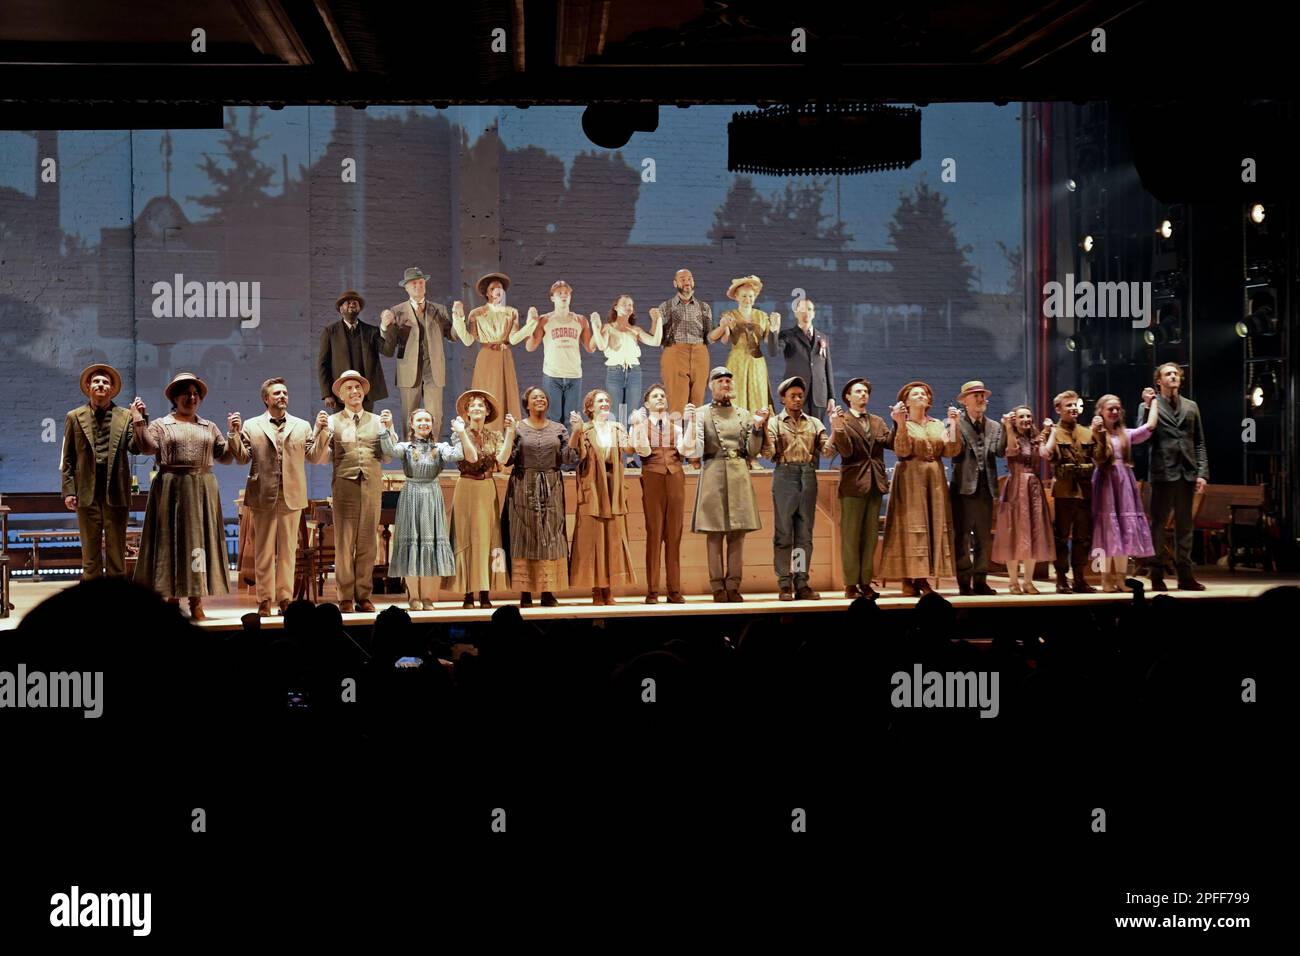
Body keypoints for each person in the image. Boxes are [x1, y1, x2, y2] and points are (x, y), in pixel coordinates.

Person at [130, 372, 239, 621]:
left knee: (197, 546)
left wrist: (233, 433)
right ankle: (171, 600)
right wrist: (138, 422)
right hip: (170, 488)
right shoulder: (161, 425)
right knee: (171, 543)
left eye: (195, 394)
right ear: (175, 397)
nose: (191, 397)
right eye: (186, 393)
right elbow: (147, 447)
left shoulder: (208, 426)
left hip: (201, 489)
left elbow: (225, 456)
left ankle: (196, 601)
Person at [308, 370, 395, 613]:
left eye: (358, 387)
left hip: (371, 483)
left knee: (368, 542)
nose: (355, 391)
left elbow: (388, 456)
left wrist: (389, 429)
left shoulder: (378, 420)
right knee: (345, 542)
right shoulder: (333, 420)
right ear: (340, 394)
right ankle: (345, 595)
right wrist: (320, 430)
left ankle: (363, 595)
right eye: (349, 388)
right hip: (345, 484)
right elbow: (321, 458)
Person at [230, 377, 318, 616]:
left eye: (285, 393)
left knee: (289, 550)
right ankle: (265, 600)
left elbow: (315, 456)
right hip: (263, 494)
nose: (282, 396)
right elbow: (241, 458)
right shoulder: (252, 425)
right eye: (277, 393)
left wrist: (322, 433)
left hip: (291, 494)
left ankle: (285, 599)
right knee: (264, 551)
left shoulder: (301, 425)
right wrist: (234, 434)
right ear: (266, 398)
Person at [380, 408, 476, 611]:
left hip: (432, 496)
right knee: (411, 544)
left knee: (431, 546)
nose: (424, 423)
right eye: (419, 420)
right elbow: (389, 450)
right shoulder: (406, 447)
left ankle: (427, 597)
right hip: (411, 495)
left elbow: (461, 455)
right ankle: (414, 596)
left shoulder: (440, 447)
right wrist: (387, 428)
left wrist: (460, 432)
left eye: (427, 420)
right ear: (412, 425)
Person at [879, 381, 963, 596]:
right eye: (915, 394)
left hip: (933, 478)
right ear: (906, 402)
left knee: (931, 525)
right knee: (911, 525)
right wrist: (900, 424)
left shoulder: (937, 424)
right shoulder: (902, 423)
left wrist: (954, 425)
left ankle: (923, 577)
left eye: (924, 394)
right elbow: (902, 450)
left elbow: (951, 450)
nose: (921, 396)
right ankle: (908, 578)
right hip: (910, 477)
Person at [690, 367, 764, 602]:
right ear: (712, 385)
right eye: (721, 381)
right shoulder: (702, 413)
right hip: (713, 472)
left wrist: (758, 428)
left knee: (737, 534)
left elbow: (752, 451)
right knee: (714, 534)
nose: (725, 384)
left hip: (739, 473)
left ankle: (733, 585)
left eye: (728, 381)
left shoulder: (744, 414)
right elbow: (695, 450)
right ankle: (717, 587)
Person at [502, 385, 579, 607]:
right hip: (523, 484)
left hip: (552, 485)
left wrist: (575, 432)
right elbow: (508, 459)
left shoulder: (558, 428)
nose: (540, 400)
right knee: (524, 535)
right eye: (535, 397)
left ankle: (548, 591)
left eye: (543, 397)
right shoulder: (518, 428)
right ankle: (525, 591)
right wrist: (508, 433)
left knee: (550, 535)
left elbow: (568, 458)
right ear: (527, 403)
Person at [60, 364, 138, 580]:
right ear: (88, 386)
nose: (101, 384)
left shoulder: (125, 416)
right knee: (90, 555)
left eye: (105, 382)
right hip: (86, 492)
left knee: (116, 554)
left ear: (112, 388)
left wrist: (140, 419)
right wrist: (68, 491)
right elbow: (67, 458)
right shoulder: (74, 416)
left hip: (116, 492)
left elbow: (137, 448)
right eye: (96, 381)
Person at [1139, 363, 1209, 591]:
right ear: (1158, 381)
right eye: (1168, 374)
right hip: (1163, 472)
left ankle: (1185, 575)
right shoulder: (1149, 405)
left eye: (1176, 374)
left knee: (1185, 526)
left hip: (1187, 472)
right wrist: (1149, 407)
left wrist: (1202, 472)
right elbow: (1142, 437)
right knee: (1158, 525)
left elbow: (1199, 441)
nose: (1173, 377)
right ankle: (1156, 573)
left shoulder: (1191, 406)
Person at [762, 376, 832, 600]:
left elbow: (828, 451)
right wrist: (762, 427)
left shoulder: (813, 422)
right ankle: (784, 583)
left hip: (808, 474)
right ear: (783, 398)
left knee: (804, 535)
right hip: (785, 474)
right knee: (784, 533)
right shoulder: (774, 422)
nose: (797, 399)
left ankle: (801, 582)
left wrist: (837, 428)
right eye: (792, 395)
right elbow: (768, 453)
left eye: (800, 395)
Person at [445, 389, 513, 608]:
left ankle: (485, 591)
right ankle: (467, 591)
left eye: (480, 406)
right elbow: (470, 457)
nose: (476, 408)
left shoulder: (494, 435)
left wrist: (510, 432)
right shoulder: (458, 433)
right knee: (465, 536)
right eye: (472, 405)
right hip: (466, 486)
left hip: (487, 487)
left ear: (487, 411)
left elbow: (502, 460)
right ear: (467, 412)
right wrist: (463, 432)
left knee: (490, 537)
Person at [568, 389, 636, 605]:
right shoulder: (586, 430)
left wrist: (637, 426)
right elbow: (577, 457)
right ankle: (596, 589)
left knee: (613, 539)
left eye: (607, 400)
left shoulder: (617, 428)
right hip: (593, 488)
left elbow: (630, 449)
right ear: (590, 407)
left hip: (612, 485)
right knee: (593, 539)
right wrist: (576, 432)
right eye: (600, 400)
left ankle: (609, 589)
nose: (605, 403)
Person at [630, 383, 694, 604]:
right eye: (655, 396)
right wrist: (638, 426)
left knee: (674, 535)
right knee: (654, 534)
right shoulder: (640, 424)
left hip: (675, 477)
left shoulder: (676, 427)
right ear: (647, 403)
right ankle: (653, 590)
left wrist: (692, 424)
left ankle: (674, 590)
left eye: (662, 396)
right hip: (653, 477)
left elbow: (686, 451)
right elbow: (644, 451)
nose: (660, 398)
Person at [828, 377, 892, 600]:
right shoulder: (842, 420)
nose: (863, 394)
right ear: (848, 396)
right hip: (853, 483)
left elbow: (890, 442)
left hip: (875, 482)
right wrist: (838, 428)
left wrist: (900, 422)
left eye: (865, 391)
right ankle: (851, 583)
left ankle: (866, 582)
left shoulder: (877, 420)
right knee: (851, 536)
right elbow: (845, 452)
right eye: (858, 391)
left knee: (870, 536)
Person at [1091, 395, 1160, 592]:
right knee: (1107, 530)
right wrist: (1098, 433)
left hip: (1124, 483)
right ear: (1101, 412)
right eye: (1110, 409)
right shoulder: (1094, 433)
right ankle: (1106, 578)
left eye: (1117, 409)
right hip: (1105, 482)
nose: (1114, 412)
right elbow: (1095, 456)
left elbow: (1149, 427)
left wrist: (1153, 401)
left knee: (1124, 528)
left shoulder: (1126, 434)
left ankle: (1121, 579)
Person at [381, 266, 454, 440]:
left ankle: (434, 456)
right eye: (413, 283)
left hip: (433, 370)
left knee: (435, 415)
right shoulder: (397, 311)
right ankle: (410, 459)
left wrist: (459, 319)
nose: (418, 286)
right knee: (408, 416)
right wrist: (385, 326)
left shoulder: (439, 310)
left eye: (421, 282)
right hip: (408, 370)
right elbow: (389, 346)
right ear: (406, 287)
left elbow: (453, 335)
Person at [949, 380, 1006, 595]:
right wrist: (954, 425)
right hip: (963, 489)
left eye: (982, 395)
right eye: (976, 396)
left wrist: (1008, 428)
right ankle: (964, 581)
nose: (981, 399)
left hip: (985, 489)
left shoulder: (994, 426)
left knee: (983, 537)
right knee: (962, 537)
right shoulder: (956, 423)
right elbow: (952, 450)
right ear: (965, 401)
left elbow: (1000, 452)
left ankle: (980, 581)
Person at [992, 406, 1054, 594]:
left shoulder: (1035, 438)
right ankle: (1013, 581)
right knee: (1013, 533)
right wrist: (1008, 428)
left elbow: (1046, 454)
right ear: (1015, 419)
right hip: (1016, 487)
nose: (1026, 419)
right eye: (1021, 416)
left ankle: (1028, 581)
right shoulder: (1011, 435)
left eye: (1028, 416)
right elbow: (1010, 451)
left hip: (1033, 488)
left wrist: (1051, 432)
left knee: (1034, 533)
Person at [1040, 390, 1097, 594]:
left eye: (1075, 405)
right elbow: (1046, 455)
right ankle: (1061, 578)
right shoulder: (1054, 432)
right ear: (1058, 409)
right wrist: (1050, 433)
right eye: (1068, 405)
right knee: (1061, 537)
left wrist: (1101, 433)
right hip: (1064, 492)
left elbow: (1100, 456)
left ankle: (1080, 578)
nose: (1073, 409)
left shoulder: (1087, 432)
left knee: (1083, 538)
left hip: (1084, 491)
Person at [517, 280, 594, 426]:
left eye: (567, 293)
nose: (564, 295)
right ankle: (554, 449)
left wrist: (597, 329)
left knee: (571, 419)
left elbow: (590, 348)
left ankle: (570, 449)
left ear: (570, 296)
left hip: (574, 374)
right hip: (552, 374)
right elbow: (530, 347)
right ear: (552, 297)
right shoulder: (545, 320)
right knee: (553, 417)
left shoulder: (581, 320)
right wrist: (530, 324)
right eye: (559, 293)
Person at [452, 271, 523, 424]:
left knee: (507, 392)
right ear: (487, 293)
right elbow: (468, 340)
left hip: (504, 356)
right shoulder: (477, 313)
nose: (497, 291)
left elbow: (514, 338)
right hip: (486, 357)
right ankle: (485, 432)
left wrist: (531, 324)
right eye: (493, 288)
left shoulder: (511, 312)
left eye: (500, 288)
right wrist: (457, 318)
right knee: (487, 391)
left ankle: (509, 435)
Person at [590, 293, 663, 431]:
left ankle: (630, 450)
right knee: (615, 413)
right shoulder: (609, 327)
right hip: (614, 372)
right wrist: (594, 325)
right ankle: (616, 448)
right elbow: (601, 345)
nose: (628, 307)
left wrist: (658, 320)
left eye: (630, 305)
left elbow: (655, 341)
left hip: (634, 372)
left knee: (632, 414)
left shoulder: (635, 330)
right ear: (616, 307)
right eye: (624, 304)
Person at [318, 290, 395, 414]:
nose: (352, 304)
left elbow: (388, 351)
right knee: (341, 431)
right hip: (340, 395)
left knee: (366, 430)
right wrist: (327, 394)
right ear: (340, 309)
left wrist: (388, 327)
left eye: (355, 302)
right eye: (347, 303)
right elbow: (323, 364)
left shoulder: (371, 331)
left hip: (365, 393)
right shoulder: (330, 332)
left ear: (359, 308)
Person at [654, 268, 714, 416]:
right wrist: (655, 320)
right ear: (675, 283)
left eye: (689, 278)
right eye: (682, 279)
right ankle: (676, 437)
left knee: (698, 402)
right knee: (676, 402)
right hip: (675, 352)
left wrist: (724, 327)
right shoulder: (665, 307)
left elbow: (709, 336)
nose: (686, 281)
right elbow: (657, 337)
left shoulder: (704, 307)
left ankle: (695, 437)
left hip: (700, 352)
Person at [717, 275, 779, 415]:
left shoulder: (762, 316)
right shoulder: (730, 314)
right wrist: (724, 327)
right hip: (737, 361)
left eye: (751, 296)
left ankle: (759, 429)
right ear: (737, 297)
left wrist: (775, 329)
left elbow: (769, 341)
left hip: (757, 363)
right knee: (737, 396)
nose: (747, 299)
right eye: (744, 296)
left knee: (758, 396)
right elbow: (725, 340)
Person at [778, 297, 834, 430]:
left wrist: (831, 397)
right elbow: (774, 351)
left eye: (809, 309)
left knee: (817, 434)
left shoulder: (822, 337)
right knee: (796, 433)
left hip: (819, 395)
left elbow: (828, 368)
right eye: (802, 309)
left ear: (814, 313)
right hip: (796, 394)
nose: (806, 313)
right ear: (796, 313)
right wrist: (773, 331)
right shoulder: (787, 335)